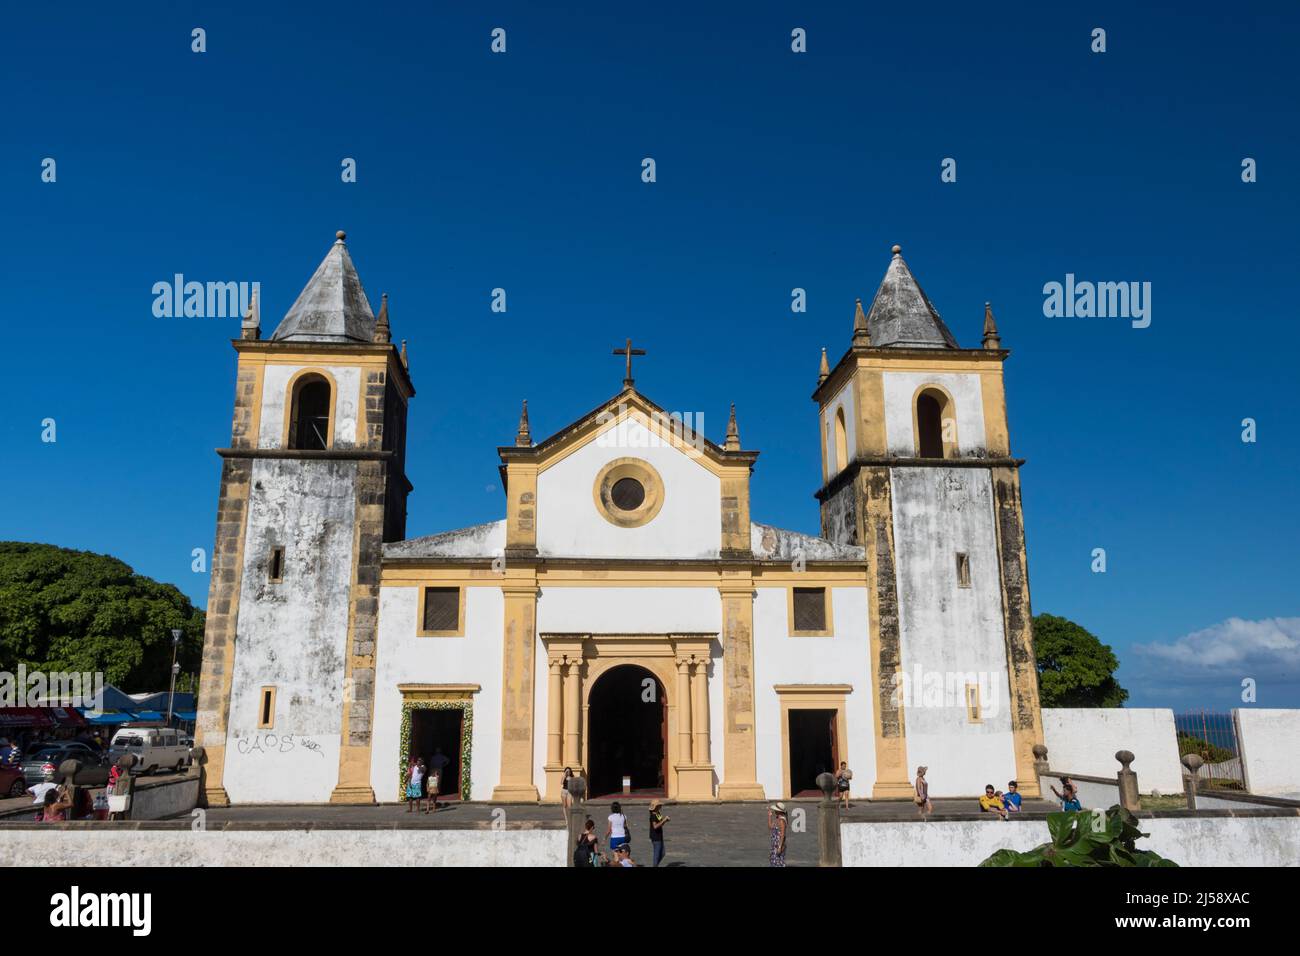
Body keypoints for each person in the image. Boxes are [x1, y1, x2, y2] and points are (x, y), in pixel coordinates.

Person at [648, 800, 668, 867]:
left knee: (662, 853)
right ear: (656, 806)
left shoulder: (658, 813)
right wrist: (664, 820)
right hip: (655, 837)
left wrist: (665, 821)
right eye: (659, 805)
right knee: (656, 855)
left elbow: (660, 823)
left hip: (660, 835)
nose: (661, 806)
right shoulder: (653, 815)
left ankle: (655, 865)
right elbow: (655, 826)